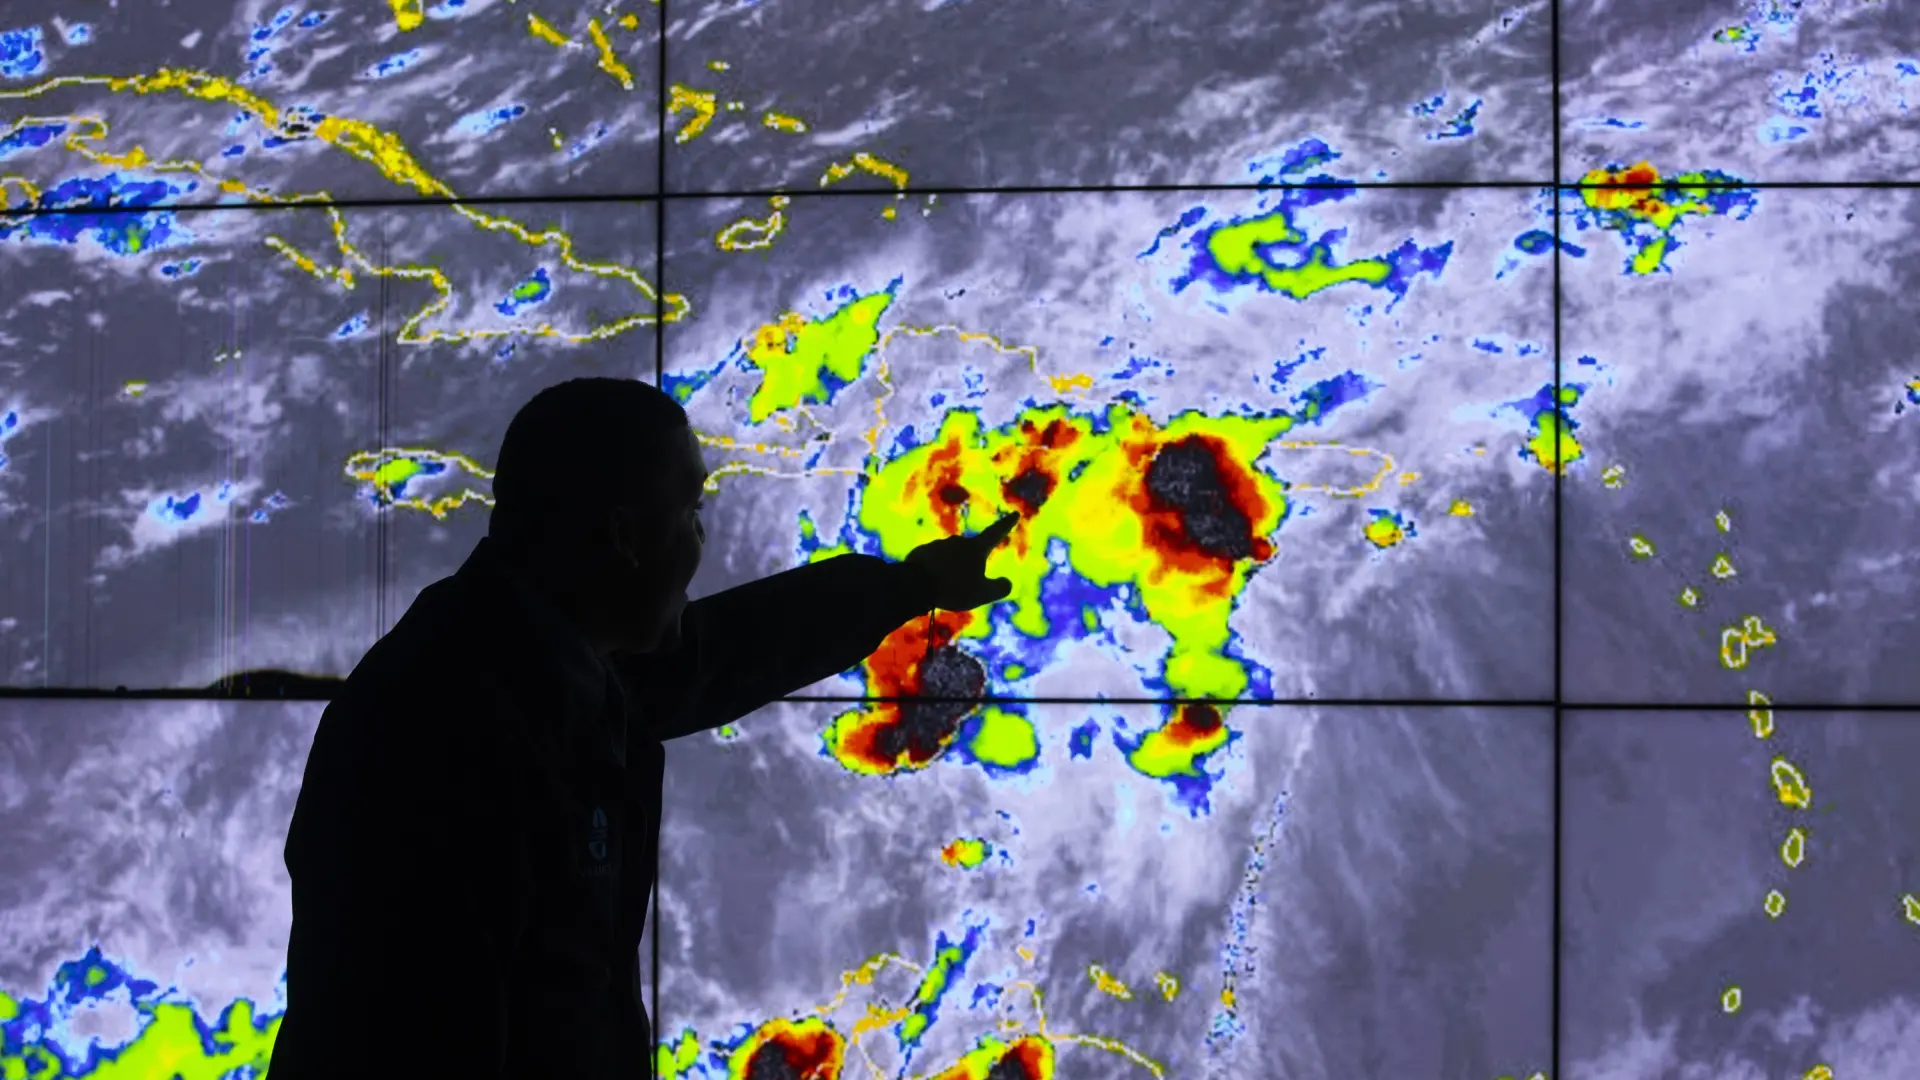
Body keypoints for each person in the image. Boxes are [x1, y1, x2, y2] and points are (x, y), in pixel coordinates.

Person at [258, 377, 1019, 1079]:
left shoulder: (536, 667)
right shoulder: (449, 733)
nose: (701, 541)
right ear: (624, 536)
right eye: (690, 513)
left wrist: (913, 586)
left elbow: (727, 654)